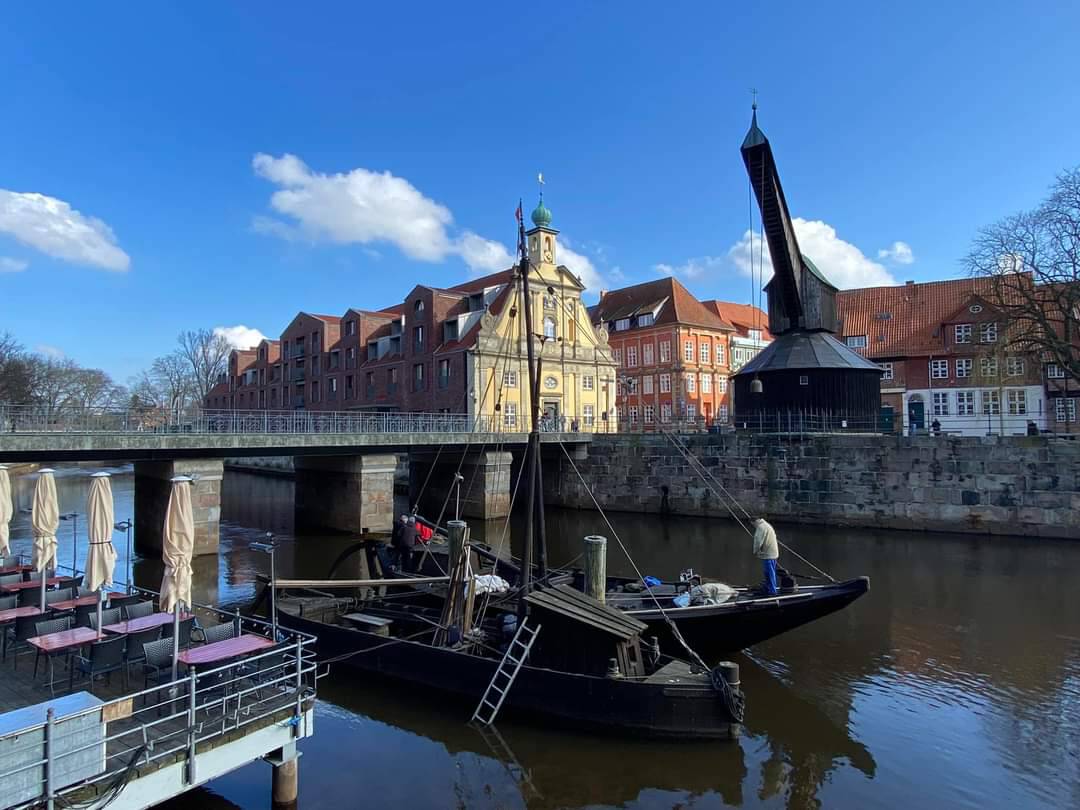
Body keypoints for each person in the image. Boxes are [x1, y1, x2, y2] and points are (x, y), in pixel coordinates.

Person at [751, 517, 780, 596]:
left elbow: (758, 541)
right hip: (773, 553)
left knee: (769, 573)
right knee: (770, 572)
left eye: (752, 524)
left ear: (754, 522)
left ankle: (772, 591)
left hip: (769, 555)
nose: (753, 526)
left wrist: (755, 551)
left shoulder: (760, 527)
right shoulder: (766, 525)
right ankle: (768, 588)